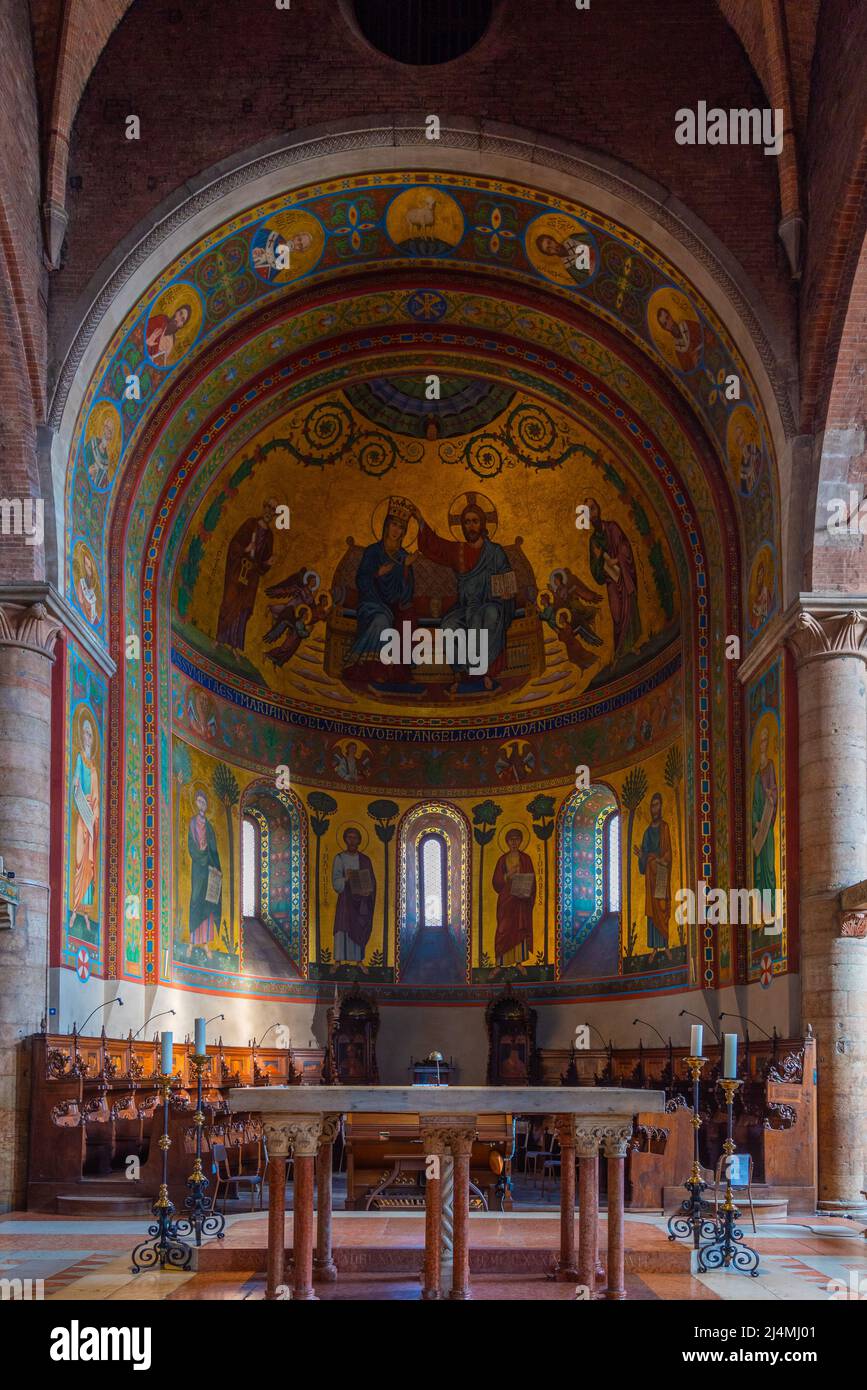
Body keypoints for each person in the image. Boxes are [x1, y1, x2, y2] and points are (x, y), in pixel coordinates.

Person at [411, 498, 514, 693]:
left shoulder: (495, 552)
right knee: (448, 624)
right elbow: (435, 546)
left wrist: (506, 593)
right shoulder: (458, 550)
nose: (471, 526)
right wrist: (420, 520)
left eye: (475, 521)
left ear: (482, 524)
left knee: (487, 615)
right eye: (467, 522)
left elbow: (507, 578)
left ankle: (483, 673)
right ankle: (460, 673)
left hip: (491, 604)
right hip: (466, 606)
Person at [345, 499, 417, 687]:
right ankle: (370, 667)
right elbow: (361, 580)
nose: (396, 530)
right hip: (371, 603)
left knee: (407, 619)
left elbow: (407, 592)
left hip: (394, 605)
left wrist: (406, 569)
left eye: (401, 527)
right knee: (381, 620)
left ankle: (397, 671)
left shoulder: (403, 556)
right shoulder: (372, 552)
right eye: (394, 524)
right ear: (386, 525)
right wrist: (377, 573)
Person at [216, 499, 278, 652]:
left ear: (275, 515)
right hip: (238, 570)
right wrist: (245, 548)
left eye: (274, 510)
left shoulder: (270, 536)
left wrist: (267, 564)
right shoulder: (250, 524)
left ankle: (235, 647)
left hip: (252, 578)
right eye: (268, 507)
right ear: (263, 507)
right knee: (229, 602)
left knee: (243, 610)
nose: (270, 511)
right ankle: (219, 639)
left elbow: (262, 565)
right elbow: (233, 544)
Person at [585, 496, 640, 660]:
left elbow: (625, 546)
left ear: (599, 509)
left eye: (593, 508)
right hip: (611, 581)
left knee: (629, 610)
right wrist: (600, 558)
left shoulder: (613, 527)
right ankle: (620, 652)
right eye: (588, 512)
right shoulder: (593, 540)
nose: (592, 514)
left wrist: (618, 559)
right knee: (617, 615)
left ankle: (632, 646)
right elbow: (595, 569)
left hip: (623, 576)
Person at [634, 792, 672, 950]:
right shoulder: (647, 832)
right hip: (650, 873)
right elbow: (643, 855)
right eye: (652, 805)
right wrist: (643, 856)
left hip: (662, 872)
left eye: (656, 805)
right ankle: (655, 949)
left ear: (661, 807)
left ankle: (666, 946)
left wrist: (661, 860)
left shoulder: (664, 827)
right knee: (652, 910)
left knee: (662, 908)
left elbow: (668, 851)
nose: (653, 808)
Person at [492, 828, 536, 964]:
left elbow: (532, 880)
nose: (514, 842)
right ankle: (499, 963)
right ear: (507, 842)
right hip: (506, 899)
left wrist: (525, 889)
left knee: (519, 929)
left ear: (521, 841)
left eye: (517, 839)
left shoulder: (526, 859)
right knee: (503, 929)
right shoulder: (502, 860)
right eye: (511, 839)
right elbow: (496, 882)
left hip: (521, 900)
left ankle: (519, 963)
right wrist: (507, 876)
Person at [331, 827, 376, 961]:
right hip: (346, 899)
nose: (352, 840)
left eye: (355, 838)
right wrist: (346, 878)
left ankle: (358, 961)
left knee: (358, 927)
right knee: (342, 927)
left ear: (359, 841)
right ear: (345, 839)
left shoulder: (365, 859)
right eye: (349, 837)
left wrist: (369, 890)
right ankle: (338, 961)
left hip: (361, 901)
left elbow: (371, 880)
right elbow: (336, 880)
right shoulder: (340, 858)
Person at [71, 717, 100, 918]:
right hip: (81, 817)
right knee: (80, 859)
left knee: (90, 861)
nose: (88, 737)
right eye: (85, 733)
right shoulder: (80, 759)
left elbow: (97, 797)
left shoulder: (95, 769)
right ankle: (75, 907)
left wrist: (94, 815)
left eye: (90, 733)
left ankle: (86, 912)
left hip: (91, 819)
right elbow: (75, 783)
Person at [187, 790, 222, 949]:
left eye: (204, 801)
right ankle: (192, 942)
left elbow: (214, 850)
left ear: (207, 805)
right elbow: (190, 846)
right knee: (195, 899)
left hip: (209, 866)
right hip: (198, 868)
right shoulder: (192, 823)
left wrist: (214, 865)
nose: (201, 804)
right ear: (195, 803)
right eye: (199, 801)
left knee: (208, 900)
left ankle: (206, 944)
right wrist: (200, 851)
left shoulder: (210, 827)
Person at [752, 726, 777, 902]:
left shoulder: (770, 767)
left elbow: (775, 789)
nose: (762, 744)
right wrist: (755, 822)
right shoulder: (754, 777)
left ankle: (773, 906)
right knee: (758, 868)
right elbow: (753, 804)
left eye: (765, 740)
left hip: (768, 825)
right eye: (760, 741)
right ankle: (761, 909)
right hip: (759, 828)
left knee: (769, 865)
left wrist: (771, 795)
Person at [655, 305, 703, 372]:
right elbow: (688, 371)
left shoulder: (688, 324)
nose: (669, 323)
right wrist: (694, 363)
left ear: (670, 315)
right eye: (665, 324)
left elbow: (706, 335)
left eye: (667, 317)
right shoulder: (678, 350)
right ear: (665, 328)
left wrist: (697, 351)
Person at [85, 415, 116, 489]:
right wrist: (88, 471)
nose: (108, 432)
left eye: (110, 431)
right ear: (103, 428)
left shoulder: (106, 460)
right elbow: (81, 460)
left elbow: (104, 481)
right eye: (107, 428)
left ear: (111, 436)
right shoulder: (92, 443)